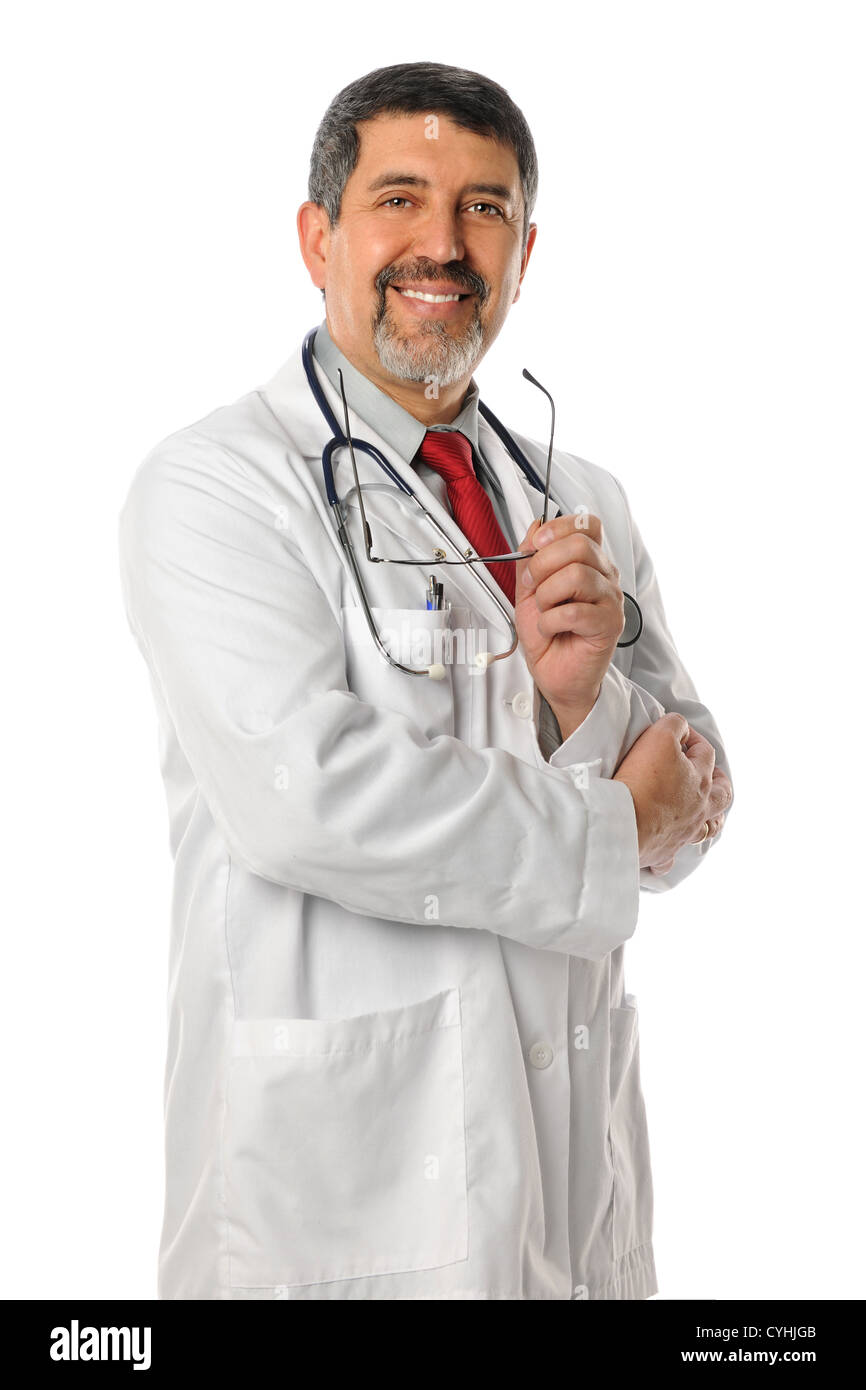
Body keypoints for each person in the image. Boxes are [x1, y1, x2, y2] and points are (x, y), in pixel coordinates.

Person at [117, 61, 733, 1301]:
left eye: (484, 207)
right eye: (399, 198)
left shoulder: (580, 498)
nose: (442, 245)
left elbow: (692, 787)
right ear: (319, 236)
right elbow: (311, 798)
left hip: (576, 1185)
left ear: (524, 244)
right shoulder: (215, 487)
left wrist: (582, 703)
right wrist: (610, 819)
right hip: (335, 1194)